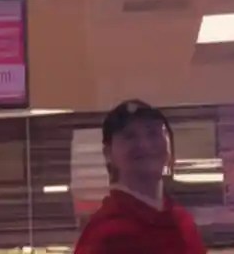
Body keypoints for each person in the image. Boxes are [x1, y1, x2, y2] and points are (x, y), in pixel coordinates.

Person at [74, 100, 207, 254]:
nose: (144, 144)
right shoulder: (105, 236)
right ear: (108, 154)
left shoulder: (183, 223)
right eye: (130, 136)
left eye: (153, 133)